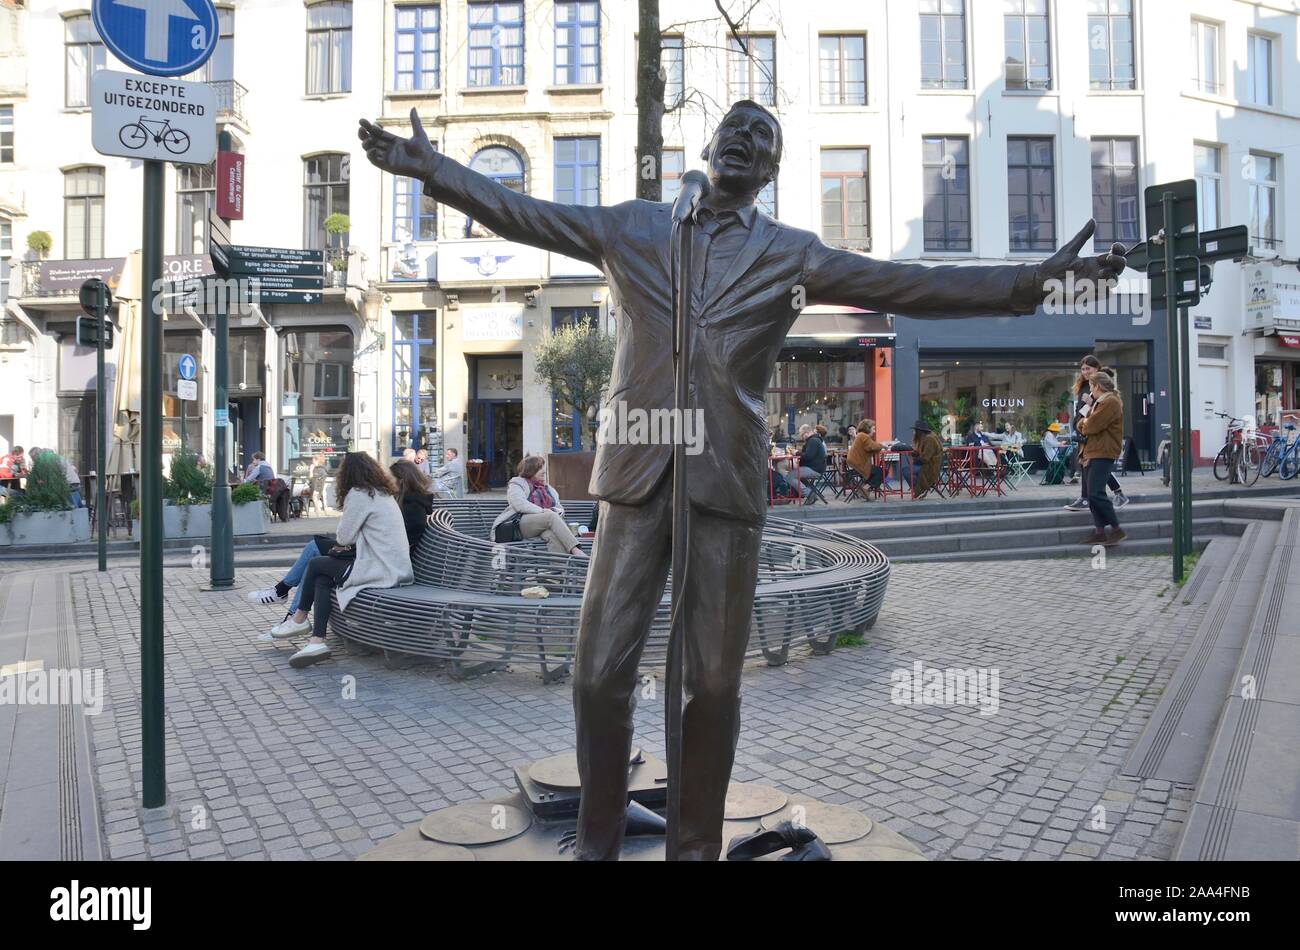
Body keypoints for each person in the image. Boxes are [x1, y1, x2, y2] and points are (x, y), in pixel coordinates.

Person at [360, 97, 1124, 861]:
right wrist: (437, 173)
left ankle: (694, 851)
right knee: (596, 676)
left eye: (762, 137)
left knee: (714, 686)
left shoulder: (791, 256)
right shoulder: (636, 229)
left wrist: (1038, 284)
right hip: (635, 477)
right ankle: (597, 844)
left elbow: (909, 284)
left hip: (724, 483)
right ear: (712, 145)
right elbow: (529, 215)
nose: (745, 140)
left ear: (770, 170)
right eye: (736, 127)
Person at [271, 452, 414, 668]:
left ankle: (299, 618)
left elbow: (344, 537)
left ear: (347, 474)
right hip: (391, 564)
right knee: (322, 578)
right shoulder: (381, 493)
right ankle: (316, 642)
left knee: (316, 564)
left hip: (381, 568)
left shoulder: (359, 494)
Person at [1064, 358, 1128, 511]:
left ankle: (1089, 499)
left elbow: (1096, 411)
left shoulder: (1100, 388)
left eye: (1088, 369)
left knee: (1093, 466)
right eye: (1083, 369)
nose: (1085, 372)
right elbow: (1084, 409)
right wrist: (1079, 421)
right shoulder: (1085, 385)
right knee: (1090, 466)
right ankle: (1100, 496)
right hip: (1084, 428)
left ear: (1096, 369)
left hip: (1091, 432)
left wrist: (1085, 413)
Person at [491, 455, 586, 557]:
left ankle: (560, 566)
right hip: (515, 525)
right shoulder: (517, 483)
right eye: (540, 468)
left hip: (539, 525)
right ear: (530, 470)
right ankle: (575, 550)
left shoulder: (547, 488)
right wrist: (544, 511)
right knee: (551, 517)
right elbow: (519, 504)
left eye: (543, 468)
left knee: (551, 534)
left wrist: (554, 510)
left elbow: (559, 508)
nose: (544, 471)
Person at [1078, 372, 1126, 546]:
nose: (1090, 390)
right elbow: (1080, 423)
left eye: (1091, 386)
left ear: (1097, 386)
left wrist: (1086, 422)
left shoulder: (1110, 402)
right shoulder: (1098, 403)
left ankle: (1116, 529)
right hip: (1092, 452)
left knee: (1096, 493)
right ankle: (1100, 532)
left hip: (1103, 452)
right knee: (1092, 494)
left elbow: (1090, 426)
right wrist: (1087, 418)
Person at [847, 418, 886, 499]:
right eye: (873, 429)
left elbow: (870, 447)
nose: (874, 431)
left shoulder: (861, 435)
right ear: (868, 428)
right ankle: (865, 488)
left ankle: (864, 489)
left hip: (855, 463)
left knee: (876, 471)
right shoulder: (863, 436)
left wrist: (879, 446)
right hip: (859, 464)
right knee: (882, 471)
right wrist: (883, 445)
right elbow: (871, 446)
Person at [795, 423, 827, 504]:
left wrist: (796, 453)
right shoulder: (813, 440)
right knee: (796, 473)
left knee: (792, 476)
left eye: (802, 435)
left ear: (806, 433)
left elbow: (808, 456)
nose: (801, 438)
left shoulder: (813, 441)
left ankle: (810, 495)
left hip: (815, 469)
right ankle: (810, 494)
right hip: (815, 467)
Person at [911, 421, 943, 497]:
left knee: (907, 471)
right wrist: (914, 452)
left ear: (919, 431)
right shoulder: (925, 438)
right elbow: (921, 452)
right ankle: (918, 487)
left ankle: (920, 487)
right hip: (927, 464)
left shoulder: (929, 439)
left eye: (915, 430)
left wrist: (916, 459)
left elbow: (925, 458)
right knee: (908, 469)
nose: (914, 432)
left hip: (930, 467)